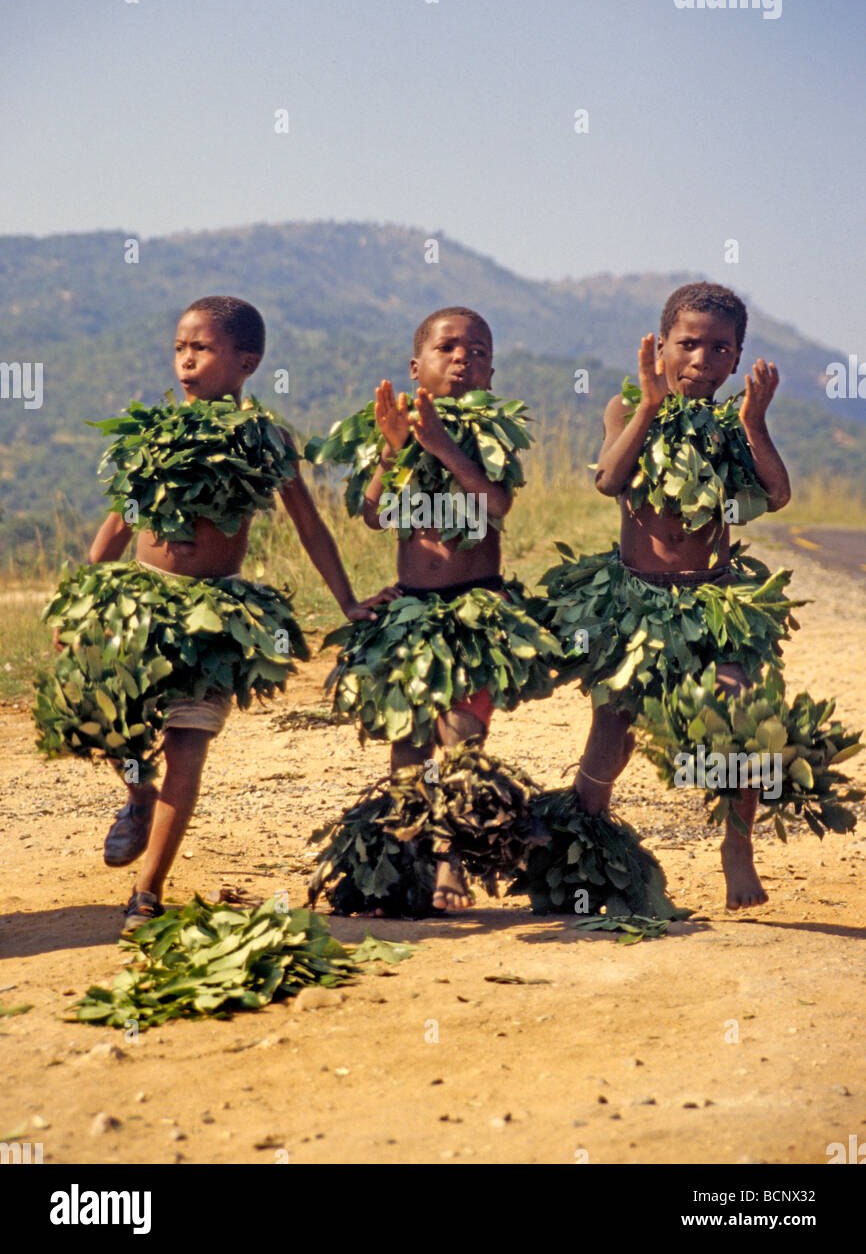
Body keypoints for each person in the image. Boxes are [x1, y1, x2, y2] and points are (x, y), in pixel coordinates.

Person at [41, 295, 380, 932]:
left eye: (201, 349)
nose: (186, 361)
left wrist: (349, 602)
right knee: (112, 724)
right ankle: (139, 797)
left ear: (247, 361)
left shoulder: (266, 438)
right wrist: (82, 599)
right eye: (179, 348)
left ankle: (147, 892)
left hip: (213, 618)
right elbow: (118, 523)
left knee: (189, 744)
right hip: (136, 602)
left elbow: (311, 530)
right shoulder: (155, 431)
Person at [541, 283, 795, 909]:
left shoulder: (734, 425)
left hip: (712, 602)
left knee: (741, 715)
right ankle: (586, 843)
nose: (701, 360)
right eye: (687, 344)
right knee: (611, 729)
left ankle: (737, 847)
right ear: (658, 349)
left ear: (736, 361)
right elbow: (608, 479)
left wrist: (755, 423)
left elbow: (777, 494)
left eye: (719, 348)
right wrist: (649, 406)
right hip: (636, 603)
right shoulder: (626, 407)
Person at [320, 306, 557, 910]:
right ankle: (408, 866)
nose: (462, 358)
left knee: (462, 741)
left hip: (476, 611)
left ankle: (453, 862)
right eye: (448, 348)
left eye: (478, 351)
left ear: (492, 371)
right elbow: (375, 514)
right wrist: (396, 449)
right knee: (408, 747)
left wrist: (445, 447)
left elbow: (495, 505)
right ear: (415, 366)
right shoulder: (393, 431)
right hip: (412, 614)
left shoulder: (490, 433)